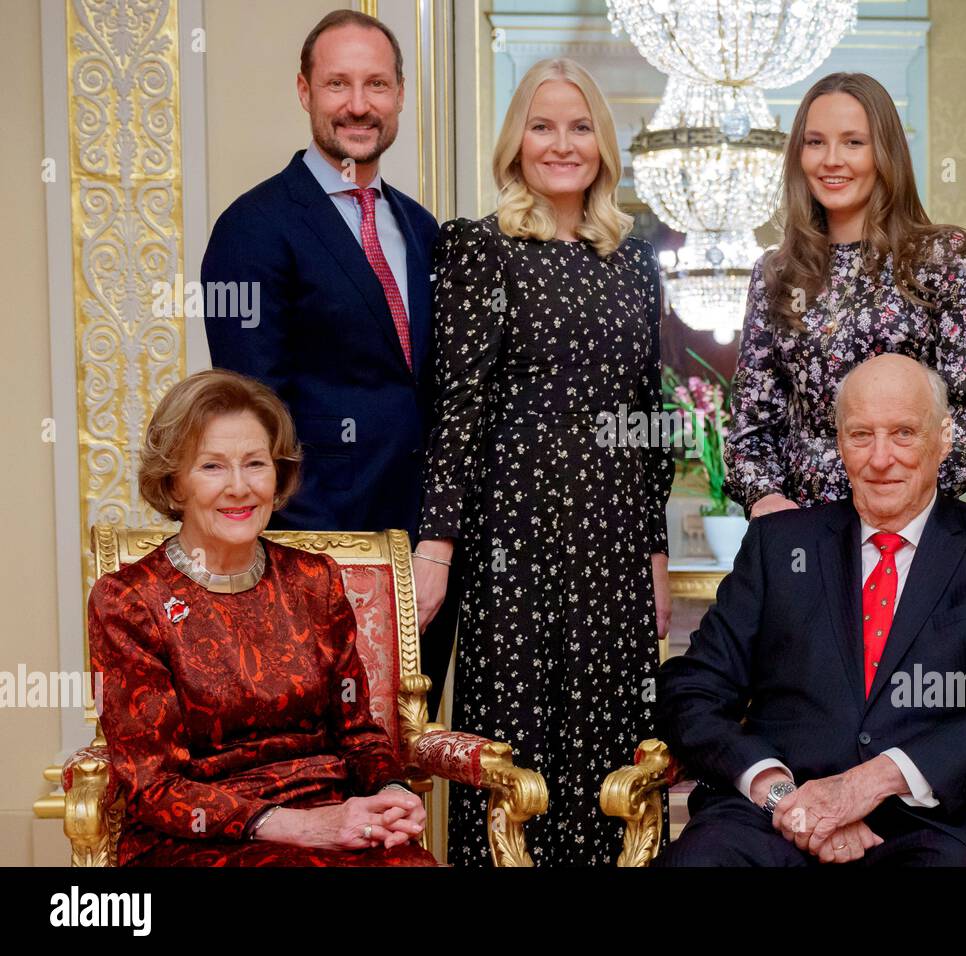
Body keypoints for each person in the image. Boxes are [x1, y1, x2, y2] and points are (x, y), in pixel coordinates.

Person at [411, 57, 674, 866]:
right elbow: (457, 413)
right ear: (515, 142)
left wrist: (655, 551)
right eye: (542, 125)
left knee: (613, 752)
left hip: (614, 546)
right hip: (513, 545)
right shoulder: (477, 249)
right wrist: (436, 548)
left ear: (604, 143)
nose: (562, 144)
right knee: (517, 752)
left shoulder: (635, 260)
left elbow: (648, 415)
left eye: (581, 125)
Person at [655, 354, 966, 866]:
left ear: (944, 439)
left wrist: (872, 781)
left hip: (928, 823)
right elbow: (690, 690)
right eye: (860, 435)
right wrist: (778, 793)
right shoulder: (778, 545)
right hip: (771, 819)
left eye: (903, 434)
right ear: (839, 443)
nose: (880, 458)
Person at [200, 9, 459, 704]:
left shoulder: (421, 227)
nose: (358, 104)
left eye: (376, 84)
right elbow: (250, 419)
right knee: (318, 782)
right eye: (337, 83)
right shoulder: (251, 227)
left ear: (400, 94)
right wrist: (316, 563)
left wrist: (433, 544)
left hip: (420, 559)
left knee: (400, 772)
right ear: (304, 91)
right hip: (310, 562)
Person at [89, 370, 435, 866]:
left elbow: (358, 734)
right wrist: (302, 828)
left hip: (334, 815)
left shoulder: (314, 580)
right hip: (198, 838)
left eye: (255, 464)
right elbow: (153, 786)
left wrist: (391, 792)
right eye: (211, 466)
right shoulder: (129, 601)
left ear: (279, 476)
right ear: (173, 483)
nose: (239, 487)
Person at [725, 72, 966, 520]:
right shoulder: (775, 273)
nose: (832, 160)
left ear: (885, 152)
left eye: (853, 142)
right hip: (802, 532)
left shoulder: (942, 257)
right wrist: (765, 498)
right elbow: (750, 424)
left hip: (911, 531)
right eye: (815, 142)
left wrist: (897, 494)